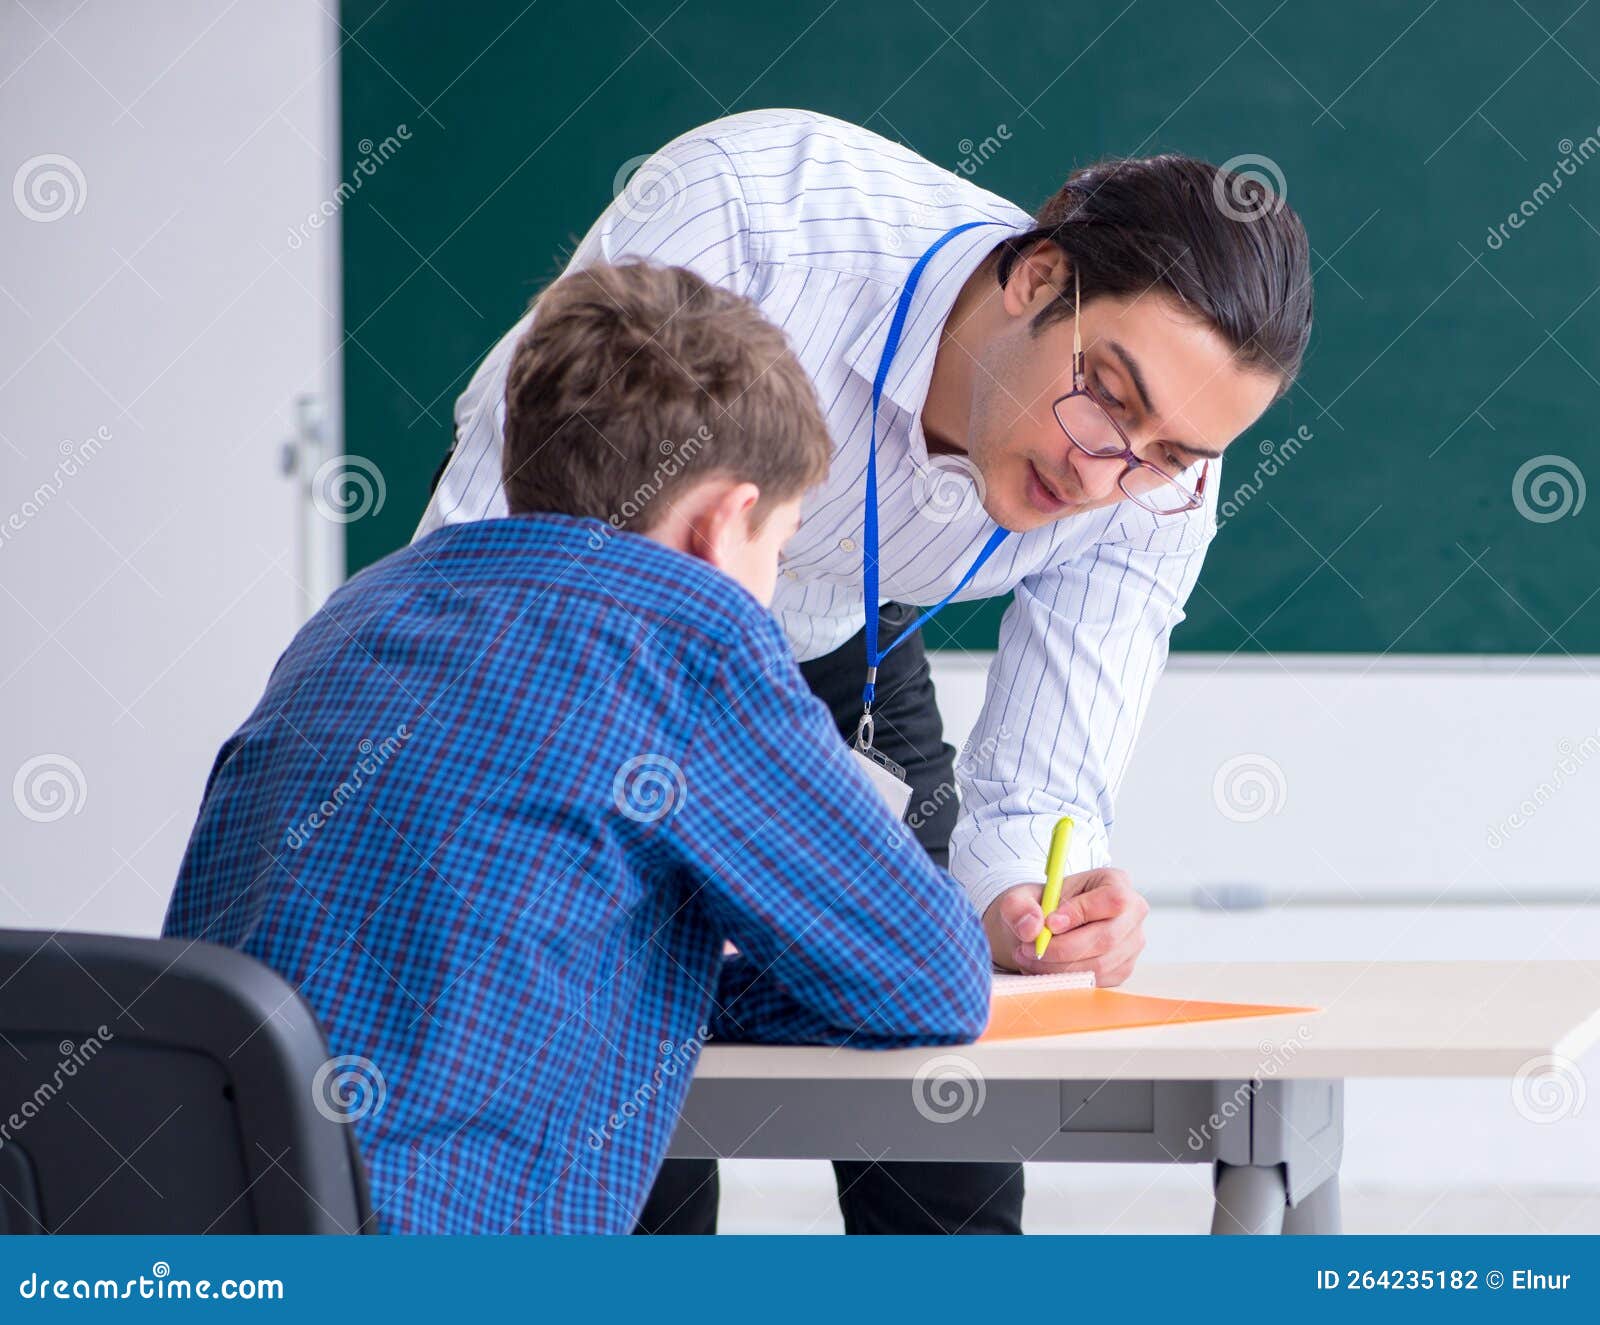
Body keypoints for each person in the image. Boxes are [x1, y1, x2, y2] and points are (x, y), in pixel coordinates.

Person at [419, 108, 1314, 1235]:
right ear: (1038, 278)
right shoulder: (757, 225)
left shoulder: (1156, 477)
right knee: (638, 1055)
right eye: (1107, 400)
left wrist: (1030, 904)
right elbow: (488, 564)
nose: (1104, 477)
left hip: (844, 630)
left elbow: (1037, 804)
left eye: (1173, 455)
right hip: (599, 631)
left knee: (948, 1125)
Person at [162, 258, 992, 1235]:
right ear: (725, 524)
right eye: (784, 542)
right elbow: (927, 974)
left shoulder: (361, 607)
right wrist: (690, 983)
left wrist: (640, 969)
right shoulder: (691, 630)